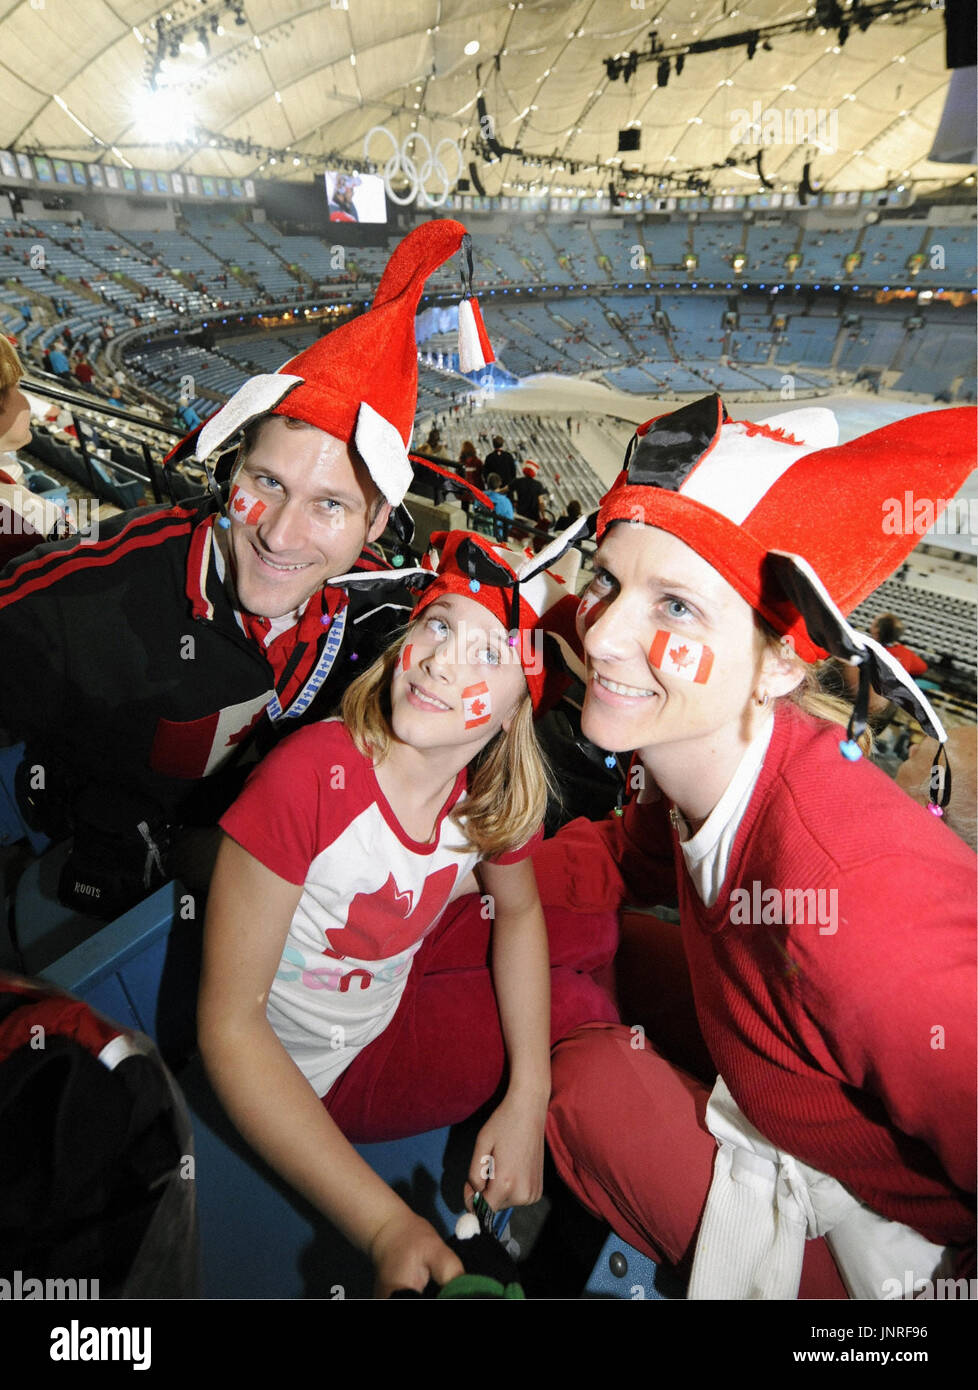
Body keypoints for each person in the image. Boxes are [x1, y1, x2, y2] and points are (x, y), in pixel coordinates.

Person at [534, 393, 976, 1300]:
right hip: (795, 1092)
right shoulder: (690, 760)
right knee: (550, 944)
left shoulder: (861, 912)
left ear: (779, 662)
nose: (604, 632)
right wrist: (471, 871)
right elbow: (631, 859)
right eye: (606, 579)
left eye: (679, 607)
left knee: (584, 1090)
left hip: (908, 1250)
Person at [0, 220, 481, 917]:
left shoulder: (388, 618)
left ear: (376, 526)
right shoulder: (92, 591)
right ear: (231, 471)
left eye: (330, 505)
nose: (282, 535)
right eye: (269, 482)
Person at [197, 528, 618, 1297]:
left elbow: (519, 914)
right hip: (331, 1065)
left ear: (513, 714)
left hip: (389, 966)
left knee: (595, 929)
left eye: (490, 655)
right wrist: (385, 1223)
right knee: (581, 1008)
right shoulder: (307, 779)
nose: (443, 658)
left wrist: (525, 1098)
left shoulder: (483, 798)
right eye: (440, 624)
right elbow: (228, 1026)